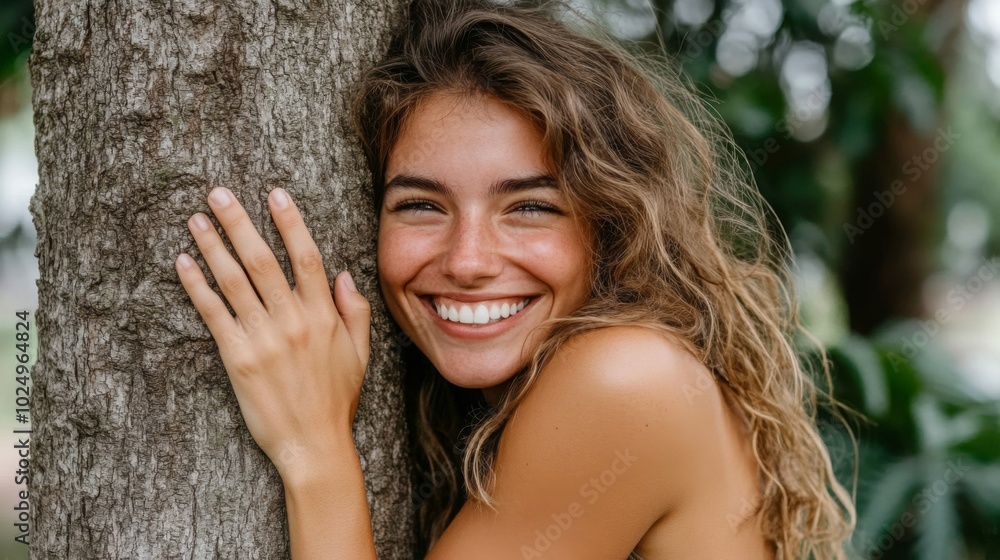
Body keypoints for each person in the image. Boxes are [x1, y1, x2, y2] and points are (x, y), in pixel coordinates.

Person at [174, 0, 856, 558]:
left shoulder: (623, 378)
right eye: (420, 205)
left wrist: (316, 449)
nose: (468, 260)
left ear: (608, 223)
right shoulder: (530, 396)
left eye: (530, 207)